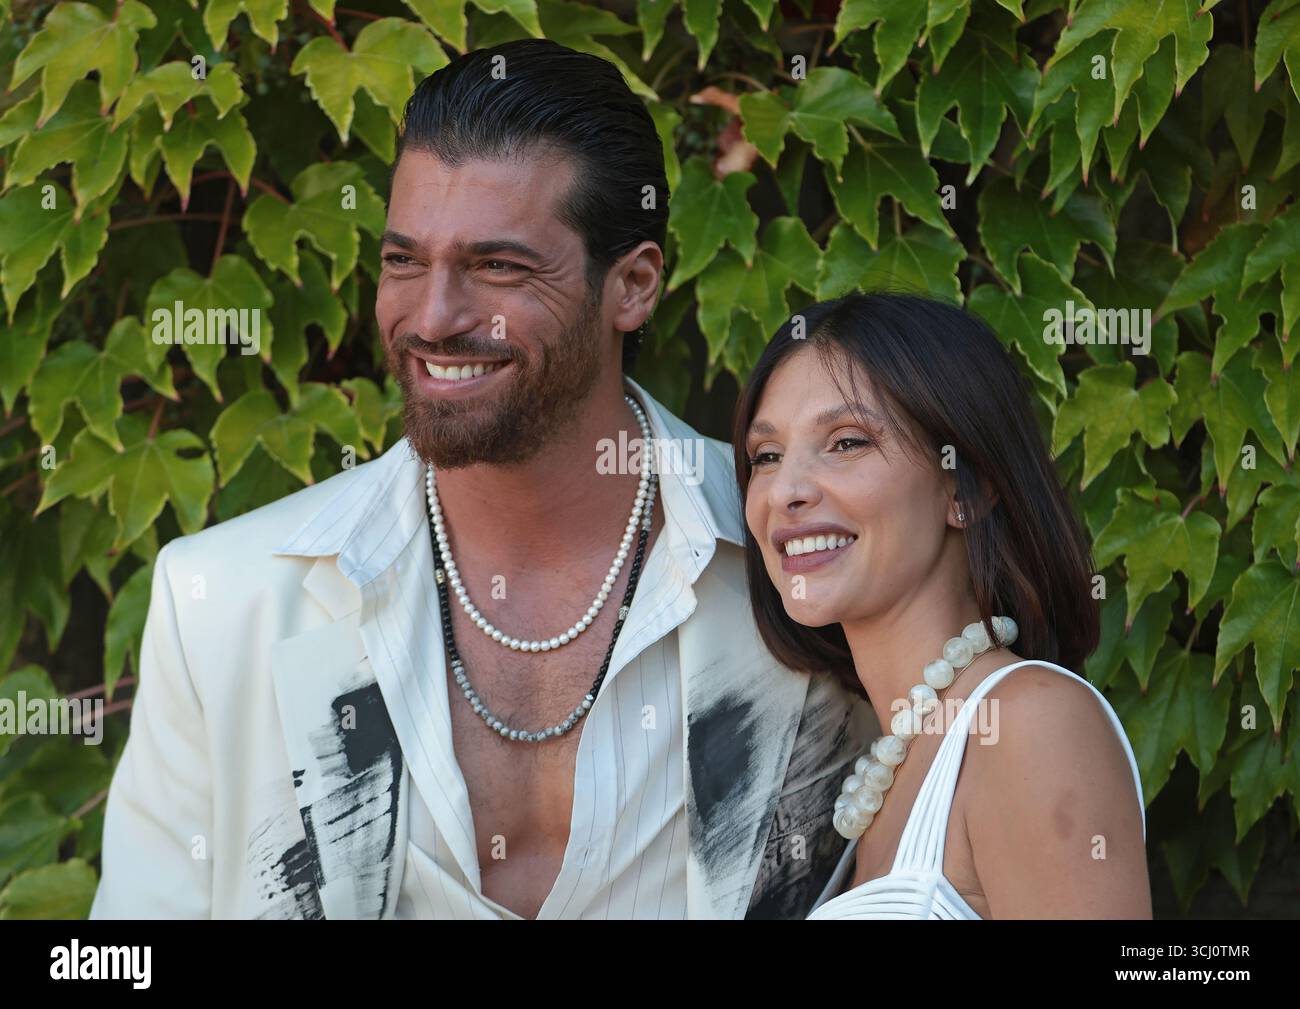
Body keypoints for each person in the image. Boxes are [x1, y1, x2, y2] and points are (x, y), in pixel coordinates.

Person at [89, 38, 876, 921]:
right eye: (403, 261)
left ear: (635, 285)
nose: (432, 317)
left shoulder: (808, 567)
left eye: (497, 266)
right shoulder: (219, 605)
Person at [733, 292, 1152, 919]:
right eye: (766, 456)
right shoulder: (882, 760)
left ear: (967, 487)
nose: (786, 492)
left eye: (846, 442)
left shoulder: (1026, 725)